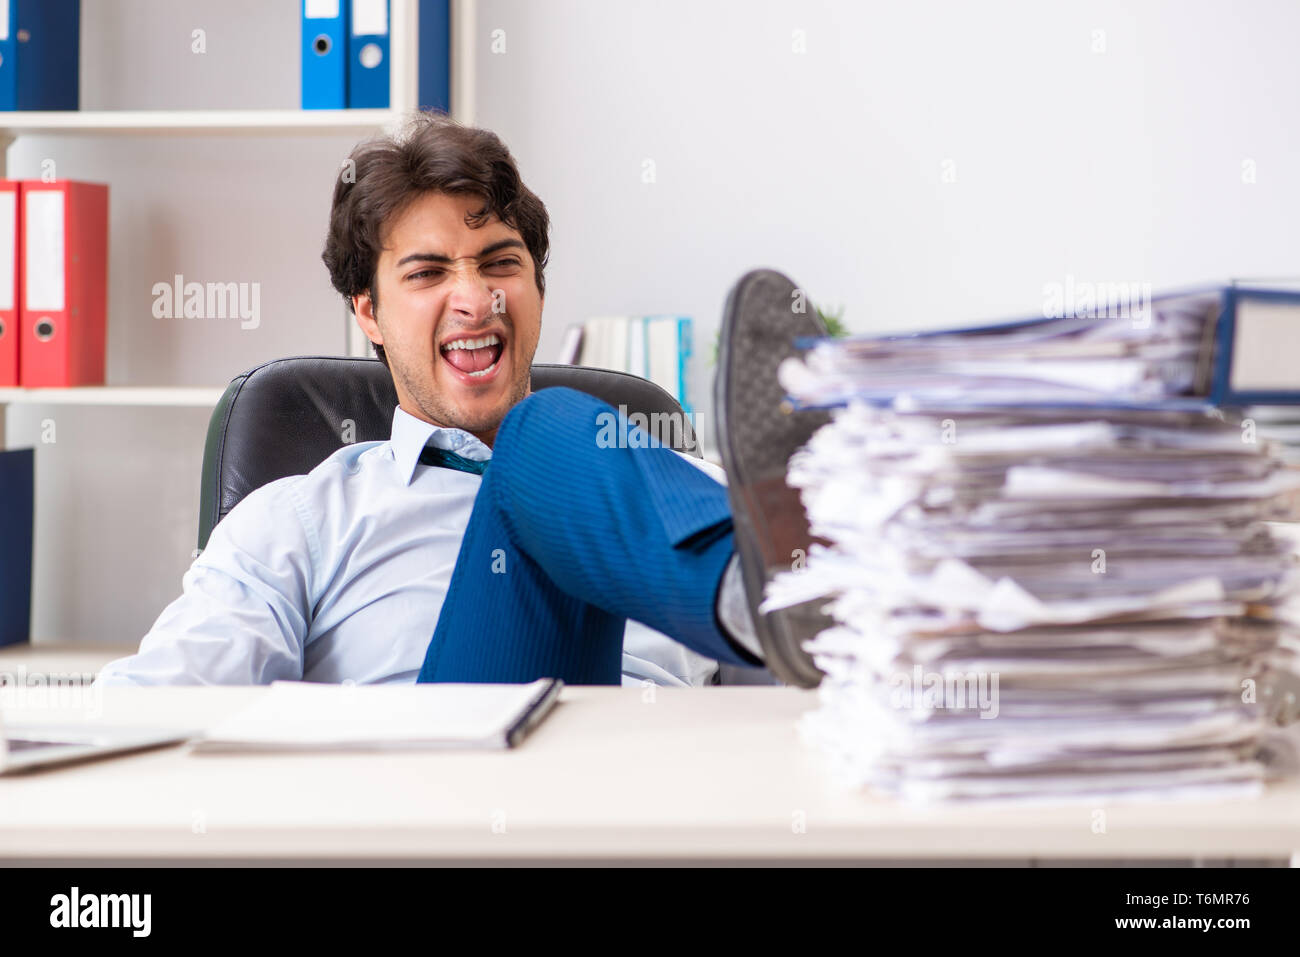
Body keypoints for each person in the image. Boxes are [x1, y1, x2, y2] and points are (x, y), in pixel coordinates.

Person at [96, 112, 827, 690]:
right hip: (445, 812)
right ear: (369, 314)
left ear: (537, 292)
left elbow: (801, 718)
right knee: (540, 433)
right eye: (428, 272)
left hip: (651, 817)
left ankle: (822, 571)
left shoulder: (687, 496)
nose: (476, 299)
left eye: (502, 263)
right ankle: (769, 588)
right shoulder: (300, 522)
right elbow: (150, 706)